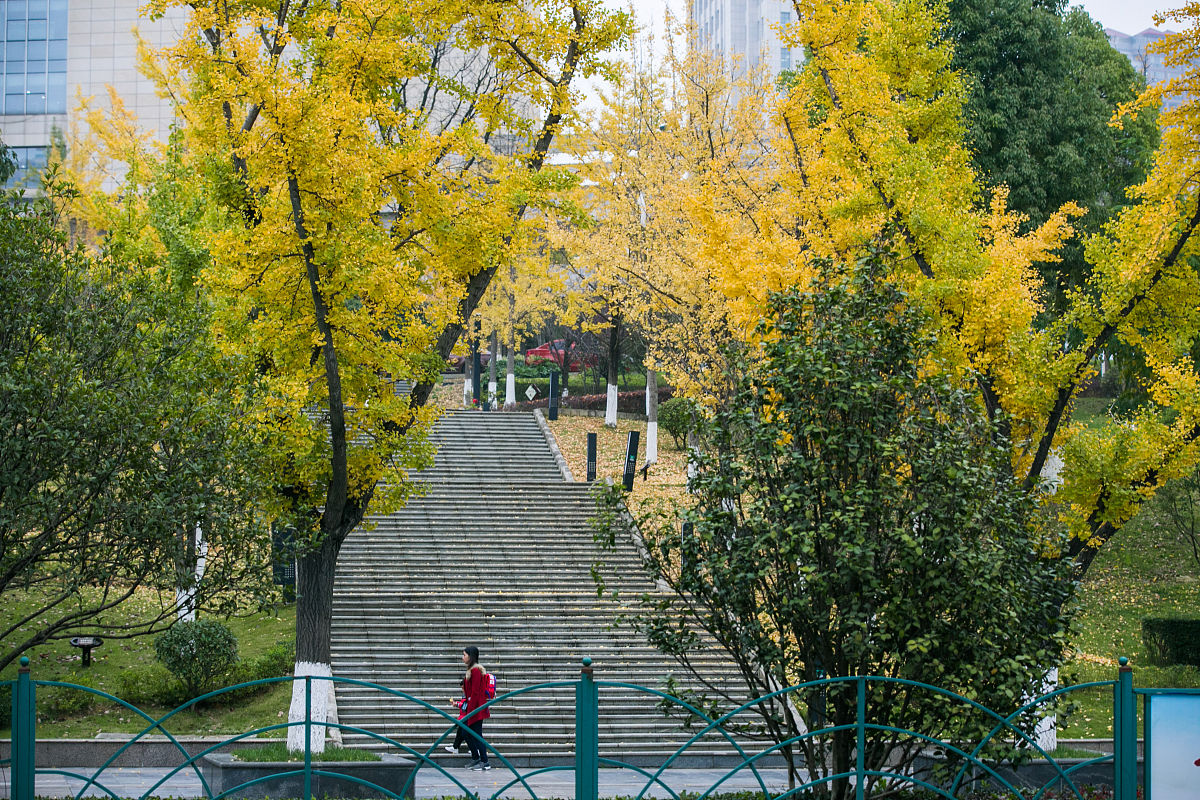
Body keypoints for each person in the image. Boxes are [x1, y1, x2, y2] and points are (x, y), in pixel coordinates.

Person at [452, 646, 491, 770]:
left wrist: (470, 710)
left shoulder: (475, 671)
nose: (463, 657)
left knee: (476, 734)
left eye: (464, 655)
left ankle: (484, 761)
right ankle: (476, 758)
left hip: (476, 709)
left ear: (470, 656)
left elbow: (475, 693)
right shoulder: (471, 671)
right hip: (473, 708)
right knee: (466, 733)